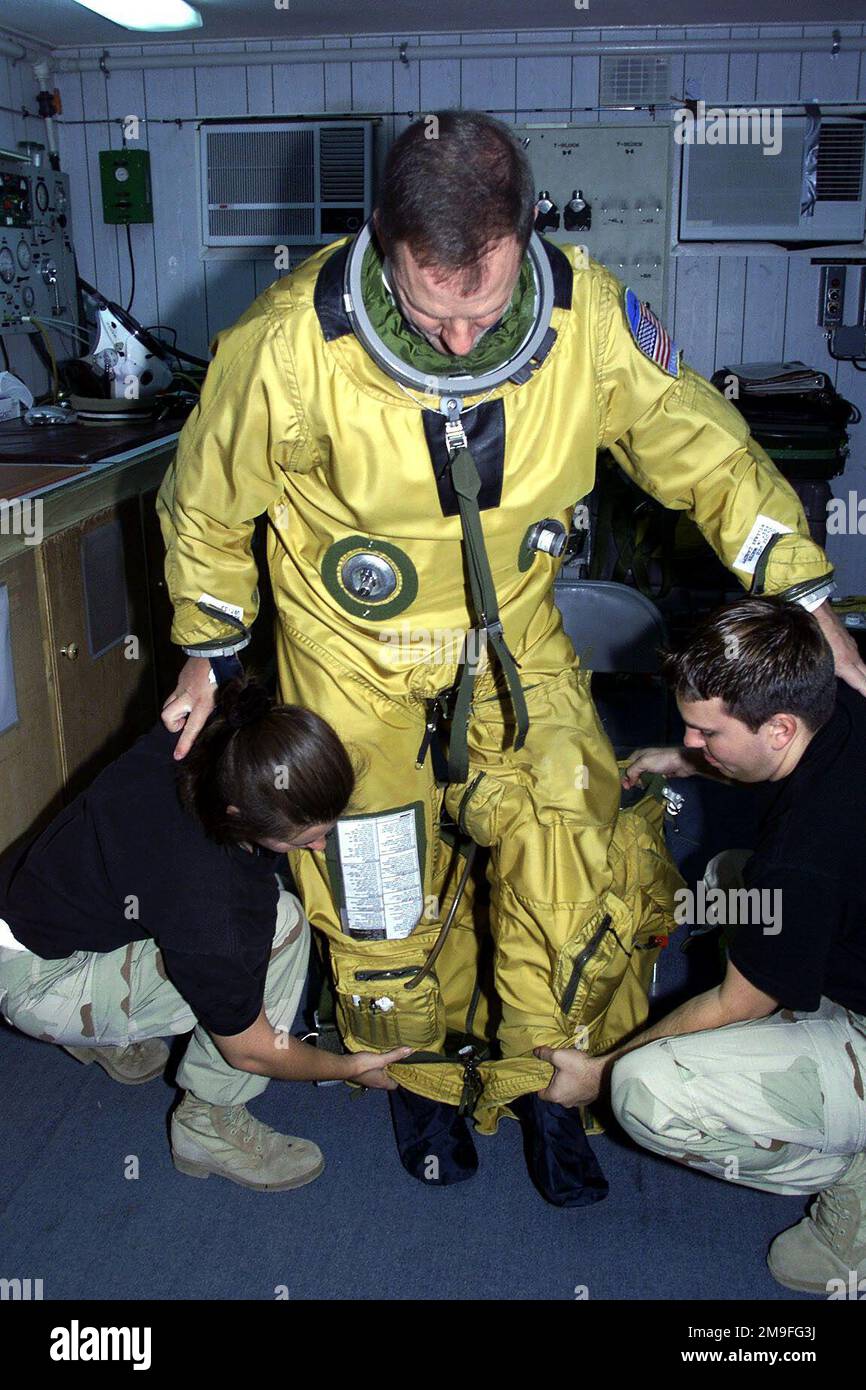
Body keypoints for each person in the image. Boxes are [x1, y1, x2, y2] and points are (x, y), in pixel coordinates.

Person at [155, 109, 866, 1203]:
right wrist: (209, 645)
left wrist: (806, 594)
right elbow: (205, 506)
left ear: (521, 235)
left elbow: (706, 452)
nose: (451, 336)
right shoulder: (288, 346)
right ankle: (426, 1087)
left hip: (513, 643)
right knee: (382, 893)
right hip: (353, 657)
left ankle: (553, 1091)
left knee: (571, 849)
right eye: (427, 304)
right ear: (383, 236)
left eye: (478, 306)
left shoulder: (586, 324)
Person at [537, 596, 866, 1291]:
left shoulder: (804, 855)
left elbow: (732, 1001)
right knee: (728, 880)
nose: (690, 742)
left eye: (703, 733)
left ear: (779, 728)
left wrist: (597, 1075)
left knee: (646, 1091)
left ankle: (856, 1183)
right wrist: (692, 763)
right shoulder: (839, 692)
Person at [0, 678, 410, 1192]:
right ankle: (207, 1124)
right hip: (34, 980)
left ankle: (108, 1026)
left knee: (173, 918)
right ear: (238, 817)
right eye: (308, 839)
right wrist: (348, 1065)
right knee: (284, 929)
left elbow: (221, 648)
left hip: (27, 895)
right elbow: (253, 1050)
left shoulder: (207, 732)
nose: (322, 847)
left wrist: (205, 661)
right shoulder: (214, 906)